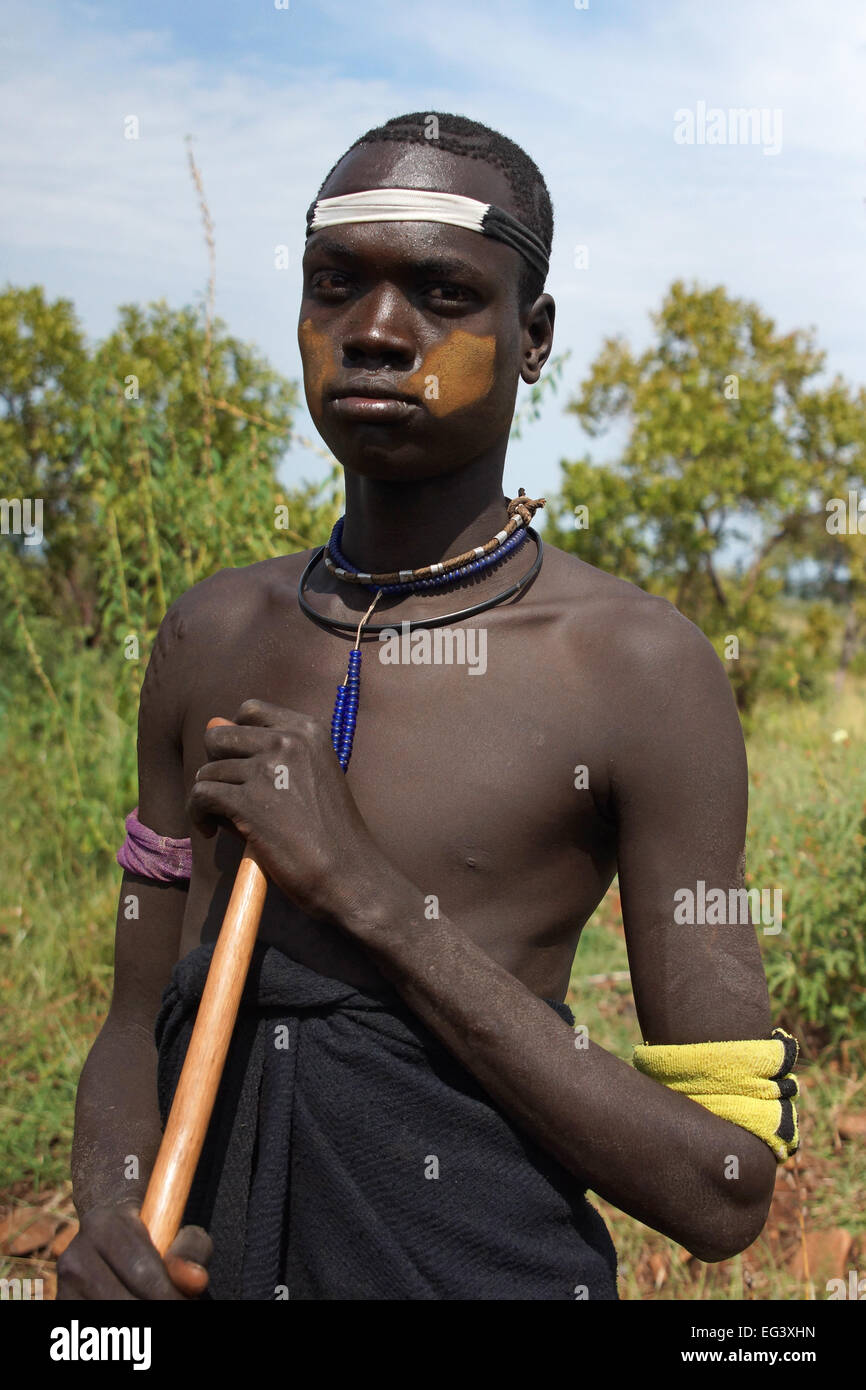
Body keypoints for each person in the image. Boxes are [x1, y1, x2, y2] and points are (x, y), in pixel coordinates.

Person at [58, 112, 795, 1302]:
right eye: (335, 285)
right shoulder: (210, 634)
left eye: (443, 294)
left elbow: (721, 1190)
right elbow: (131, 1024)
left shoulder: (637, 669)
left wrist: (370, 898)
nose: (378, 333)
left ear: (533, 335)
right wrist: (113, 1219)